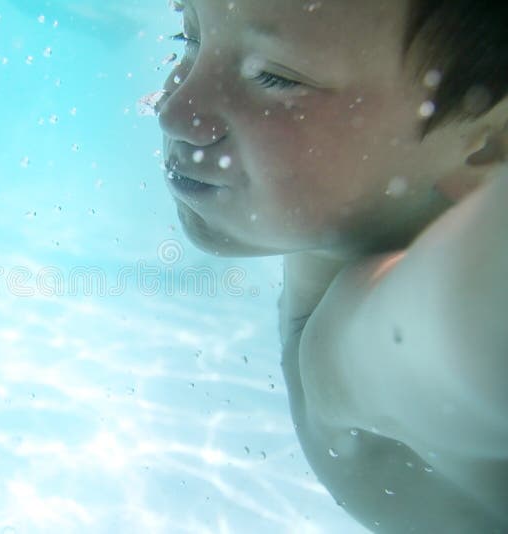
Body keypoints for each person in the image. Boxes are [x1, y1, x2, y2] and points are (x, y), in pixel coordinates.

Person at [155, 1, 507, 531]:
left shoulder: (360, 343)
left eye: (274, 77)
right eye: (189, 39)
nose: (176, 110)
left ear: (489, 144)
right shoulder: (343, 234)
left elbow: (469, 314)